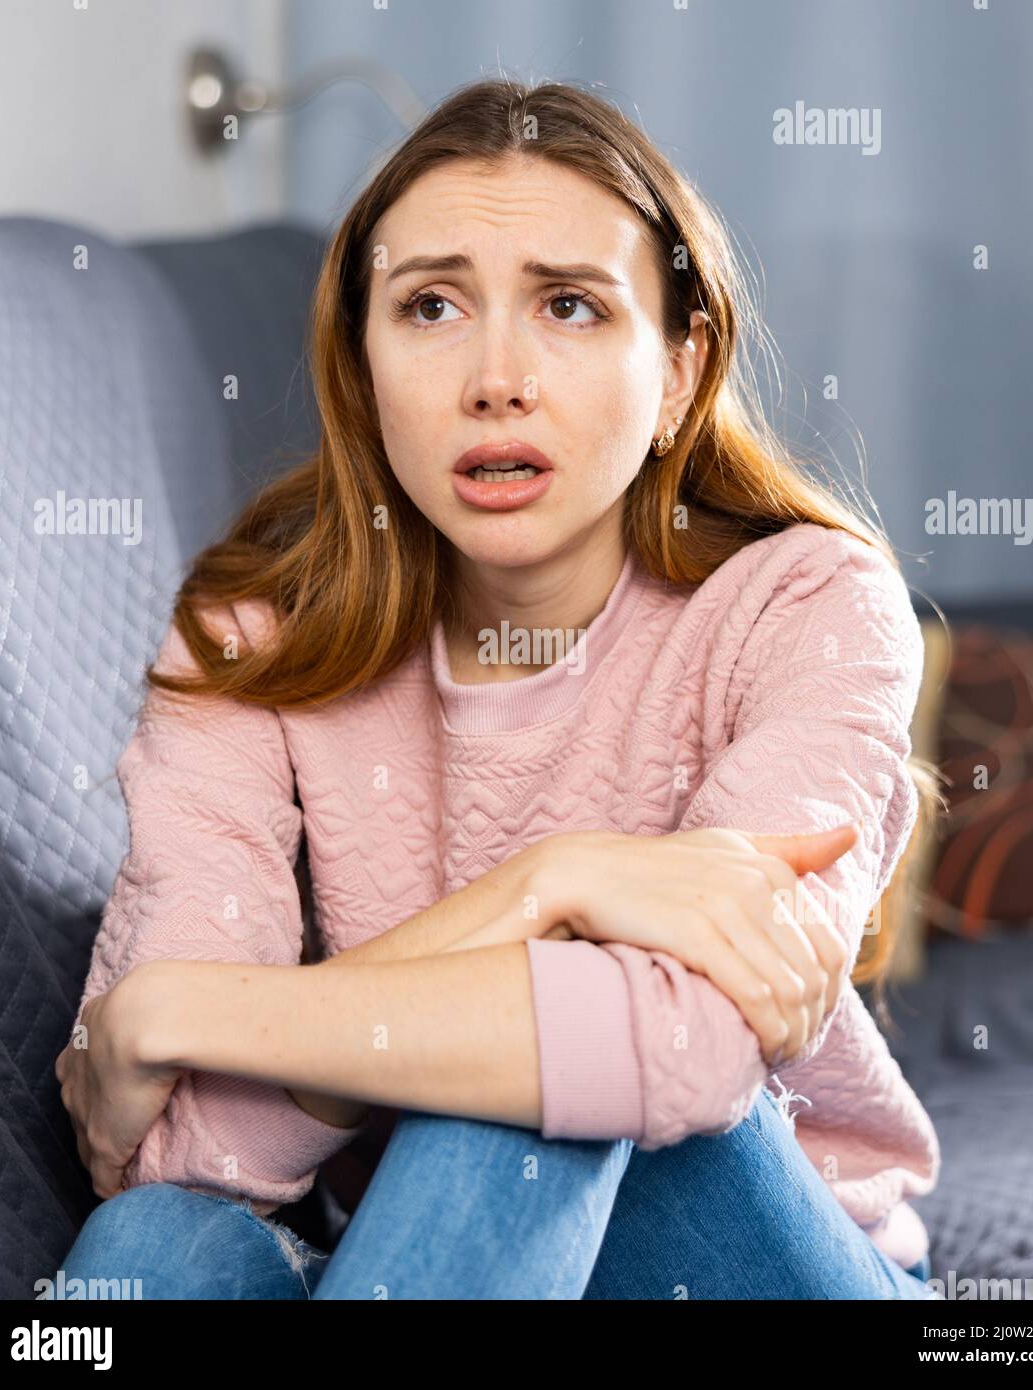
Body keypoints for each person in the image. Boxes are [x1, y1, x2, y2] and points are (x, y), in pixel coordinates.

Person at [52, 77, 943, 1300]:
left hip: (756, 1256)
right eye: (429, 305)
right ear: (362, 369)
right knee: (149, 1252)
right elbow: (175, 1147)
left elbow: (673, 1051)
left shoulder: (806, 606)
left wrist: (165, 1010)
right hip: (436, 1263)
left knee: (535, 1085)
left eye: (570, 306)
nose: (496, 377)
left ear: (680, 369)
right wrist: (553, 891)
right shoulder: (250, 643)